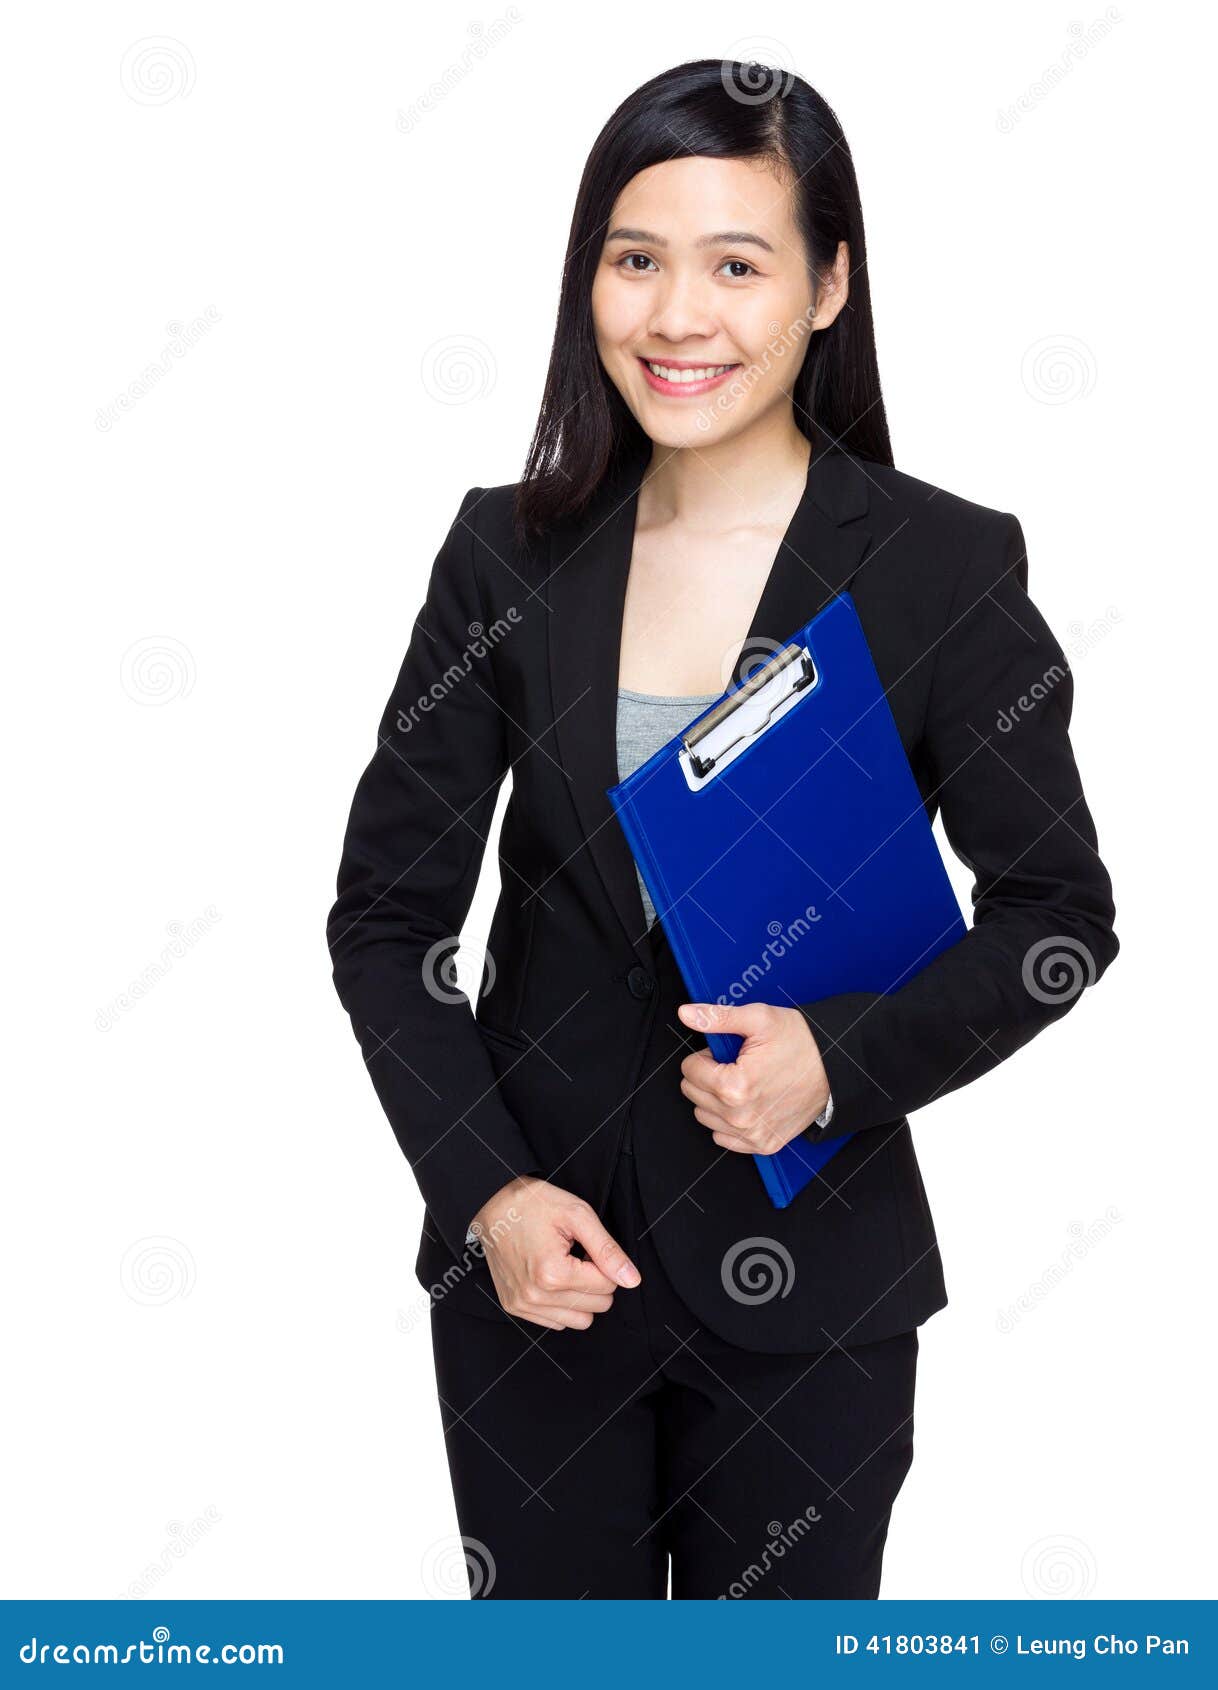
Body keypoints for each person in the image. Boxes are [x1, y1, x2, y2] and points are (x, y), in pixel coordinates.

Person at [325, 58, 1119, 1599]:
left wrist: (838, 1058)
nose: (674, 315)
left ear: (829, 285)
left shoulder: (937, 568)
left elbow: (1056, 915)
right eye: (635, 260)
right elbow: (384, 924)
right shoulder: (506, 554)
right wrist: (483, 1193)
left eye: (735, 264)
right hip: (535, 1280)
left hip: (811, 1285)